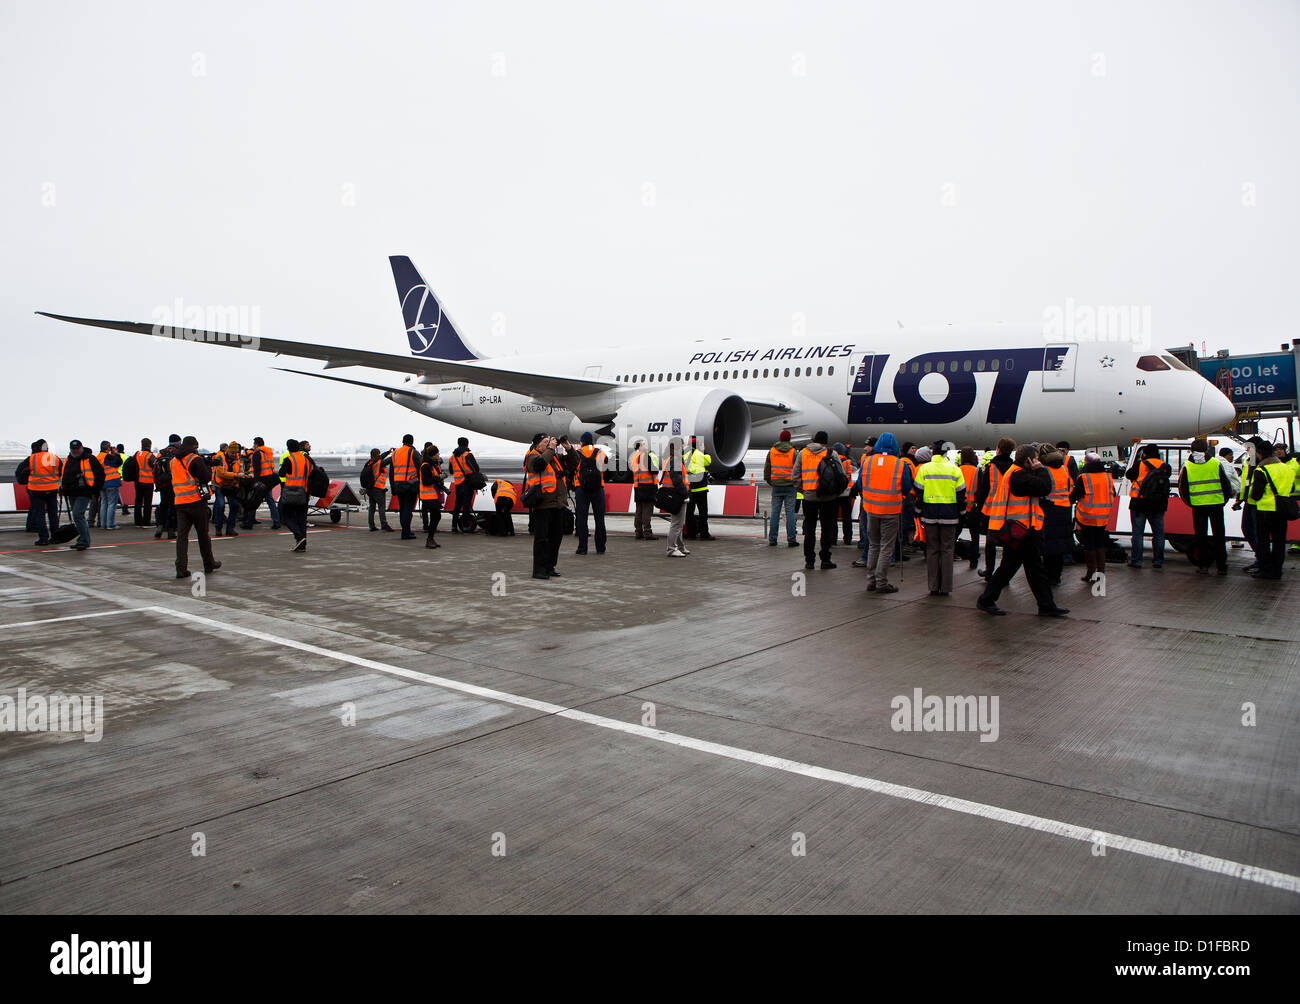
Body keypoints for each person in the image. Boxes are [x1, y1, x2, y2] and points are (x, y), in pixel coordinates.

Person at [977, 445, 1069, 617]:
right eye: (1035, 459)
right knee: (1021, 568)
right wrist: (1041, 469)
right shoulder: (1018, 476)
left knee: (1029, 568)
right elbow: (1044, 487)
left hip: (1023, 530)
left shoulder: (1017, 473)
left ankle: (1046, 605)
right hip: (1020, 531)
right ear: (1028, 460)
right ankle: (987, 600)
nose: (1038, 462)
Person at [855, 432, 911, 594]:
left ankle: (871, 580)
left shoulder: (868, 461)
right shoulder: (899, 464)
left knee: (873, 545)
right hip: (891, 510)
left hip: (871, 509)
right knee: (887, 547)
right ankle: (881, 582)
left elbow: (860, 484)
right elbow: (906, 487)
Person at [913, 445, 965, 596]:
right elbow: (961, 494)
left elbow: (918, 492)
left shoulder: (924, 469)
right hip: (949, 515)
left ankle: (933, 586)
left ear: (933, 453)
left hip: (929, 515)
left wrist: (918, 511)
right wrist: (962, 513)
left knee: (932, 550)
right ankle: (946, 587)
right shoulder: (954, 469)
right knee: (948, 550)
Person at [1176, 438, 1232, 575]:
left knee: (1201, 537)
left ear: (1192, 449)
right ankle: (1221, 567)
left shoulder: (1187, 465)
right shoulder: (1215, 463)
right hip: (1216, 504)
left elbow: (1182, 488)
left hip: (1198, 506)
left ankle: (1203, 565)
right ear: (1206, 449)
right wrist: (1223, 500)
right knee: (1219, 536)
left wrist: (1190, 503)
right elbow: (1226, 485)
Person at [170, 436, 221, 578]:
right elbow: (206, 477)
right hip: (196, 502)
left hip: (180, 502)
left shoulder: (173, 461)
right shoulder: (194, 459)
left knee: (182, 537)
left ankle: (181, 568)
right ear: (194, 447)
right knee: (203, 535)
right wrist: (207, 466)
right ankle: (208, 563)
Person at [792, 432, 840, 570]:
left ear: (814, 440)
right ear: (826, 442)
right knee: (826, 529)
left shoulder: (803, 453)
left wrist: (804, 490)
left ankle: (809, 561)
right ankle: (825, 560)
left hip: (809, 497)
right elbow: (840, 476)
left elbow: (795, 476)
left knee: (809, 529)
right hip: (828, 498)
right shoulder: (832, 453)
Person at [1248, 444, 1295, 580]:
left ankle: (1265, 570)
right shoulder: (1286, 468)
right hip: (1281, 510)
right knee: (1279, 542)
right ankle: (1277, 571)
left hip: (1265, 510)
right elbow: (1291, 488)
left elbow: (1256, 494)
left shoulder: (1261, 469)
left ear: (1260, 454)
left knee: (1263, 541)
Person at [526, 436, 569, 579]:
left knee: (556, 538)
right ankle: (538, 569)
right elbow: (539, 465)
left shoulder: (553, 457)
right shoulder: (532, 456)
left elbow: (574, 464)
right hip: (542, 503)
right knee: (541, 539)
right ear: (537, 445)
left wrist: (568, 447)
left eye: (550, 442)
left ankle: (550, 566)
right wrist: (550, 449)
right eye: (545, 442)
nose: (549, 444)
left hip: (557, 503)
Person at [973, 438, 1016, 577]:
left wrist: (979, 510)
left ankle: (989, 571)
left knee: (990, 543)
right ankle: (1004, 574)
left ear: (998, 449)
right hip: (1010, 510)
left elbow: (983, 491)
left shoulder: (991, 467)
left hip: (991, 510)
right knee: (1007, 543)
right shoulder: (1014, 467)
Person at [1072, 451, 1116, 583]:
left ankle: (1090, 572)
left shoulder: (1084, 478)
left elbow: (1075, 496)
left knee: (1089, 544)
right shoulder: (1108, 476)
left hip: (1087, 516)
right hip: (1103, 516)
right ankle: (1101, 572)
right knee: (1100, 543)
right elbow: (1112, 492)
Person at [1126, 443, 1170, 568]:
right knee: (1159, 533)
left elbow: (1128, 475)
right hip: (1158, 504)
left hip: (1139, 503)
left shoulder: (1140, 464)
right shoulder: (1165, 466)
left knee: (1138, 533)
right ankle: (1158, 561)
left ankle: (1136, 561)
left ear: (1144, 453)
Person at [58, 440, 103, 551]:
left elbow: (100, 474)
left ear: (81, 448)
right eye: (73, 449)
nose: (75, 451)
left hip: (84, 492)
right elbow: (65, 475)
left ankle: (84, 540)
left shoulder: (89, 459)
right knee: (77, 516)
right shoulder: (69, 460)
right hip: (72, 493)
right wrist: (63, 488)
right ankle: (82, 540)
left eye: (77, 448)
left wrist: (94, 489)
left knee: (78, 514)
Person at [1038, 445, 1074, 586]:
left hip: (1050, 510)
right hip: (1064, 510)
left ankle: (1049, 576)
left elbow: (1042, 489)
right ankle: (1056, 576)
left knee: (1049, 546)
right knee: (1059, 546)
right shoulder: (1064, 468)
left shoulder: (1044, 470)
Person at [16, 439, 62, 546]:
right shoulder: (54, 458)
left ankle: (43, 538)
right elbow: (62, 470)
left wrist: (25, 481)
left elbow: (20, 472)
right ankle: (55, 537)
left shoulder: (32, 458)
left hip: (37, 490)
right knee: (53, 514)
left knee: (40, 515)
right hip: (52, 489)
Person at [573, 432, 608, 555]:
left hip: (581, 489)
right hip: (598, 489)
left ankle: (582, 548)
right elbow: (606, 465)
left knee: (582, 519)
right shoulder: (600, 452)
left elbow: (572, 468)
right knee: (600, 519)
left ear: (582, 442)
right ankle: (600, 547)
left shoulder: (577, 453)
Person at [764, 430, 799, 547]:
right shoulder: (794, 452)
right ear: (789, 439)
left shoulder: (772, 451)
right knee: (790, 513)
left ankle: (772, 539)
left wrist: (771, 481)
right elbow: (798, 469)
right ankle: (791, 539)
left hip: (776, 486)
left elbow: (767, 470)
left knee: (775, 513)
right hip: (790, 486)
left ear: (780, 438)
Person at [279, 439, 315, 551]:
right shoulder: (306, 459)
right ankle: (302, 544)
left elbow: (281, 473)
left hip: (291, 491)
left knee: (285, 516)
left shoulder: (289, 459)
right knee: (301, 518)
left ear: (288, 448)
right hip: (304, 492)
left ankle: (299, 536)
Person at [240, 437, 281, 530]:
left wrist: (255, 482)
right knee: (271, 502)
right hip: (269, 480)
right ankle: (276, 521)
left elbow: (257, 469)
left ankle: (248, 523)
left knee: (253, 500)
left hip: (261, 480)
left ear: (256, 444)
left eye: (254, 444)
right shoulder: (268, 453)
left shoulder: (257, 453)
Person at [210, 441, 248, 536]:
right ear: (227, 450)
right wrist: (236, 475)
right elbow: (221, 474)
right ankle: (218, 528)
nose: (234, 455)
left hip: (231, 486)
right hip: (220, 485)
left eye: (235, 453)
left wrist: (244, 475)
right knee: (221, 505)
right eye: (232, 453)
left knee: (234, 506)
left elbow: (241, 470)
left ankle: (230, 528)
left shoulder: (238, 459)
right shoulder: (220, 458)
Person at [659, 437, 689, 557]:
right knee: (677, 524)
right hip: (677, 495)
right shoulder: (675, 461)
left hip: (672, 495)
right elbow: (677, 481)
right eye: (682, 446)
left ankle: (680, 547)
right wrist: (685, 494)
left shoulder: (670, 459)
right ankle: (671, 549)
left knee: (678, 523)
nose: (683, 448)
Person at [388, 434, 420, 539]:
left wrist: (393, 488)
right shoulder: (413, 453)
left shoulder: (395, 453)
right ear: (412, 441)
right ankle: (406, 533)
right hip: (410, 485)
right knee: (408, 510)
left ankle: (406, 531)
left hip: (398, 485)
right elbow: (421, 469)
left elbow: (391, 473)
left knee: (403, 509)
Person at [683, 436, 714, 541]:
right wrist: (704, 451)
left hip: (689, 489)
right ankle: (704, 533)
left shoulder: (685, 454)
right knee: (703, 513)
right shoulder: (698, 454)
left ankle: (690, 533)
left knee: (689, 513)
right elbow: (708, 461)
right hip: (700, 489)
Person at [152, 434, 182, 539]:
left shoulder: (161, 452)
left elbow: (154, 468)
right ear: (178, 442)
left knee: (163, 505)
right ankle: (171, 530)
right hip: (173, 484)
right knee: (173, 506)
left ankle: (160, 525)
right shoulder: (177, 453)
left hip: (162, 484)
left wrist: (157, 482)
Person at [449, 437, 481, 533]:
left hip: (458, 483)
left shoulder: (452, 457)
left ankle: (454, 527)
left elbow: (451, 471)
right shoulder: (468, 455)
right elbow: (476, 469)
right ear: (467, 444)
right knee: (466, 506)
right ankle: (466, 526)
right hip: (467, 483)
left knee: (457, 506)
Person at [630, 437, 659, 541]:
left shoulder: (633, 457)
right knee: (647, 510)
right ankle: (647, 532)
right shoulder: (645, 456)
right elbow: (654, 471)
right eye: (644, 444)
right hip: (647, 486)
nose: (646, 446)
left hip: (638, 486)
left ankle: (638, 532)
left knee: (639, 510)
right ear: (640, 446)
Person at [957, 447, 981, 569]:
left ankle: (949, 556)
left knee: (955, 533)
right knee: (975, 535)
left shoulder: (957, 470)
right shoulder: (977, 471)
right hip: (973, 509)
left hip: (958, 507)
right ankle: (974, 561)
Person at [360, 448, 394, 532]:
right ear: (377, 455)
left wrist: (388, 452)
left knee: (372, 507)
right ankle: (384, 524)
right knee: (381, 507)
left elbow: (381, 457)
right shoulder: (379, 463)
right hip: (378, 488)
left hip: (370, 488)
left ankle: (371, 525)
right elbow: (390, 460)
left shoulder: (369, 462)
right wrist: (396, 454)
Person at [419, 445, 446, 548]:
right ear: (433, 454)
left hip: (432, 495)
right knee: (436, 516)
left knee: (436, 516)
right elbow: (426, 481)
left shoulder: (431, 465)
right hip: (428, 496)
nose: (439, 455)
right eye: (437, 453)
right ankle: (429, 539)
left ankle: (430, 538)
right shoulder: (426, 466)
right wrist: (438, 477)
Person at [94, 441, 123, 530]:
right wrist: (116, 453)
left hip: (102, 482)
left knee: (104, 503)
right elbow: (118, 462)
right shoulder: (108, 457)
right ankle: (110, 524)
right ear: (108, 448)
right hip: (111, 481)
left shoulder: (98, 457)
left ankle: (103, 523)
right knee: (111, 504)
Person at [833, 443, 855, 547]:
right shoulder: (848, 462)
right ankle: (848, 539)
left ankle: (833, 539)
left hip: (835, 493)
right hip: (846, 493)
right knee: (847, 518)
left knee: (833, 518)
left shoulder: (831, 461)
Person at [132, 438, 155, 527]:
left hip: (138, 481)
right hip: (148, 481)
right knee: (147, 503)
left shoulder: (137, 454)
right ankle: (146, 522)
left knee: (138, 502)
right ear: (149, 445)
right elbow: (155, 466)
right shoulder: (150, 455)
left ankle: (137, 521)